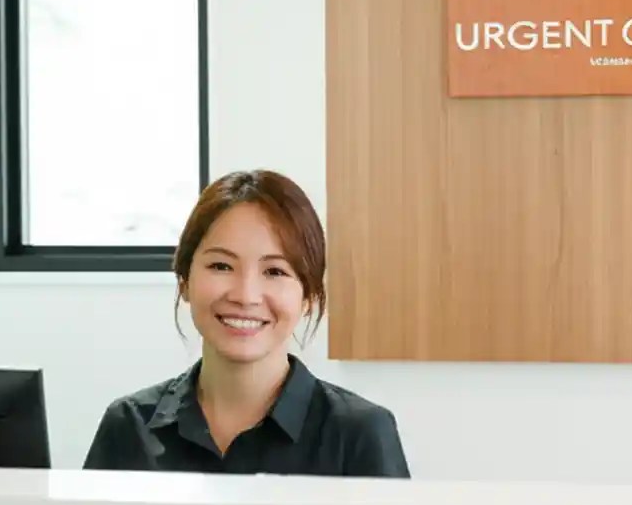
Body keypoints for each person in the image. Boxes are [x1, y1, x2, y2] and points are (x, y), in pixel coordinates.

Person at [82, 169, 410, 477]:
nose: (246, 295)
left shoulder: (360, 434)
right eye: (222, 266)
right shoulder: (128, 426)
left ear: (308, 297)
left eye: (275, 272)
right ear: (184, 281)